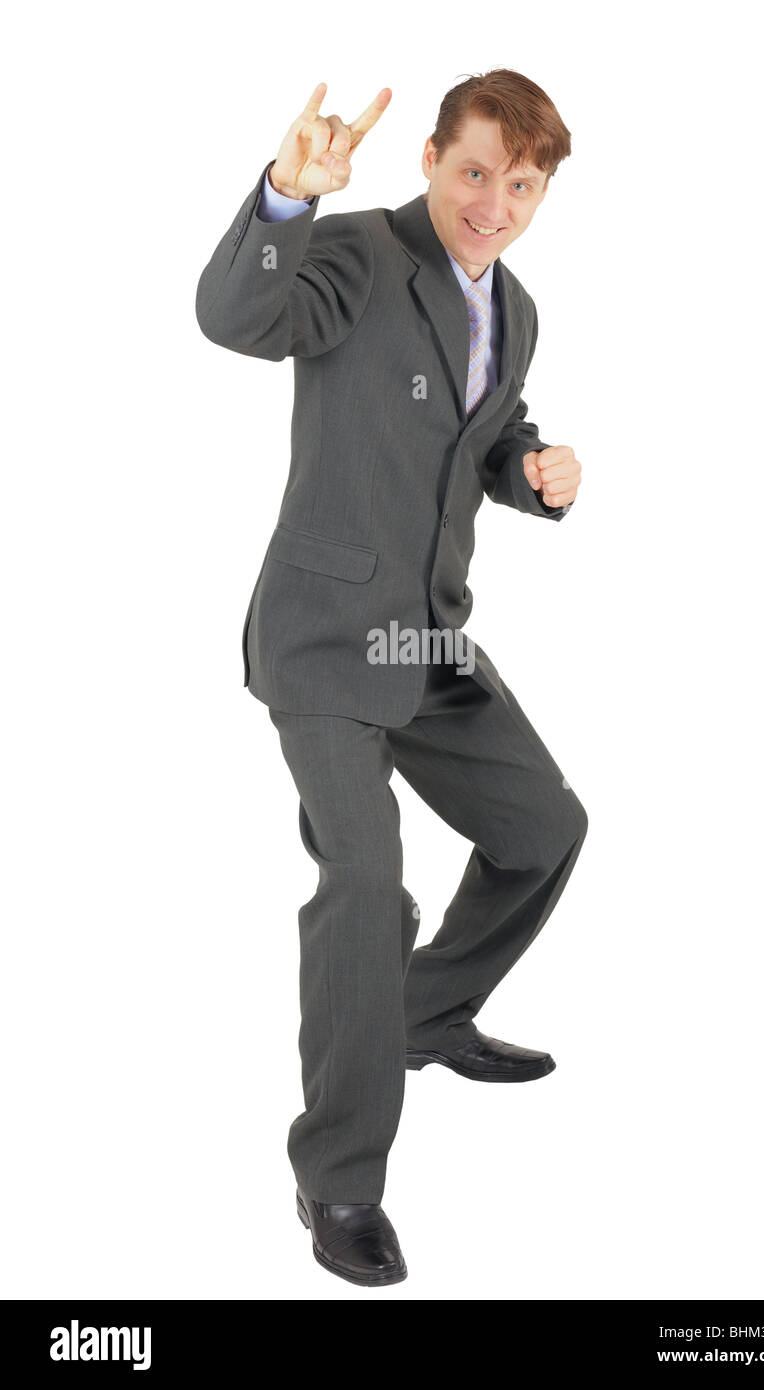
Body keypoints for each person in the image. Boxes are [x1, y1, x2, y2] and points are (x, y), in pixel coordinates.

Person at [196, 68, 587, 1288]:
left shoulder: (512, 308)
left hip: (423, 641)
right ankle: (336, 1179)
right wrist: (279, 200)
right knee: (365, 885)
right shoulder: (358, 253)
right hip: (322, 637)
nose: (493, 205)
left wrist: (529, 471)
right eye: (475, 173)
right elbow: (236, 322)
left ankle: (421, 1014)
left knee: (545, 827)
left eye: (519, 186)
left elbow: (483, 436)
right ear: (429, 158)